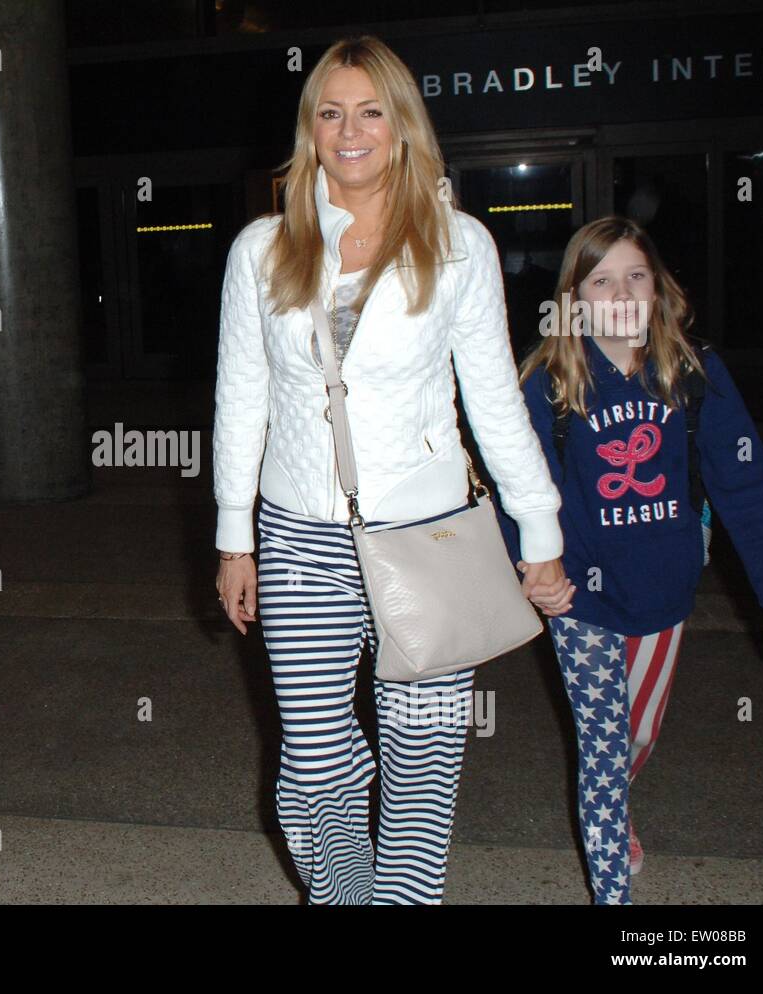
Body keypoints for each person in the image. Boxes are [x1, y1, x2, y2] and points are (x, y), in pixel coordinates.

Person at [212, 35, 572, 905]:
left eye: (371, 110)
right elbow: (240, 402)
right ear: (310, 130)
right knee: (313, 760)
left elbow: (494, 403)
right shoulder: (262, 250)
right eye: (330, 112)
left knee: (424, 757)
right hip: (299, 537)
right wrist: (233, 540)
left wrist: (543, 531)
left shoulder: (458, 245)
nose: (350, 130)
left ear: (403, 125)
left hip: (430, 536)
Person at [502, 216, 763, 904]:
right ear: (575, 298)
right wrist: (532, 566)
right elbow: (514, 487)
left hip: (665, 590)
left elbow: (745, 486)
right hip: (581, 600)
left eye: (637, 275)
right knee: (602, 755)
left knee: (636, 740)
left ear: (659, 288)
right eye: (602, 280)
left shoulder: (693, 374)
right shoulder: (548, 383)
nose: (622, 292)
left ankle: (620, 801)